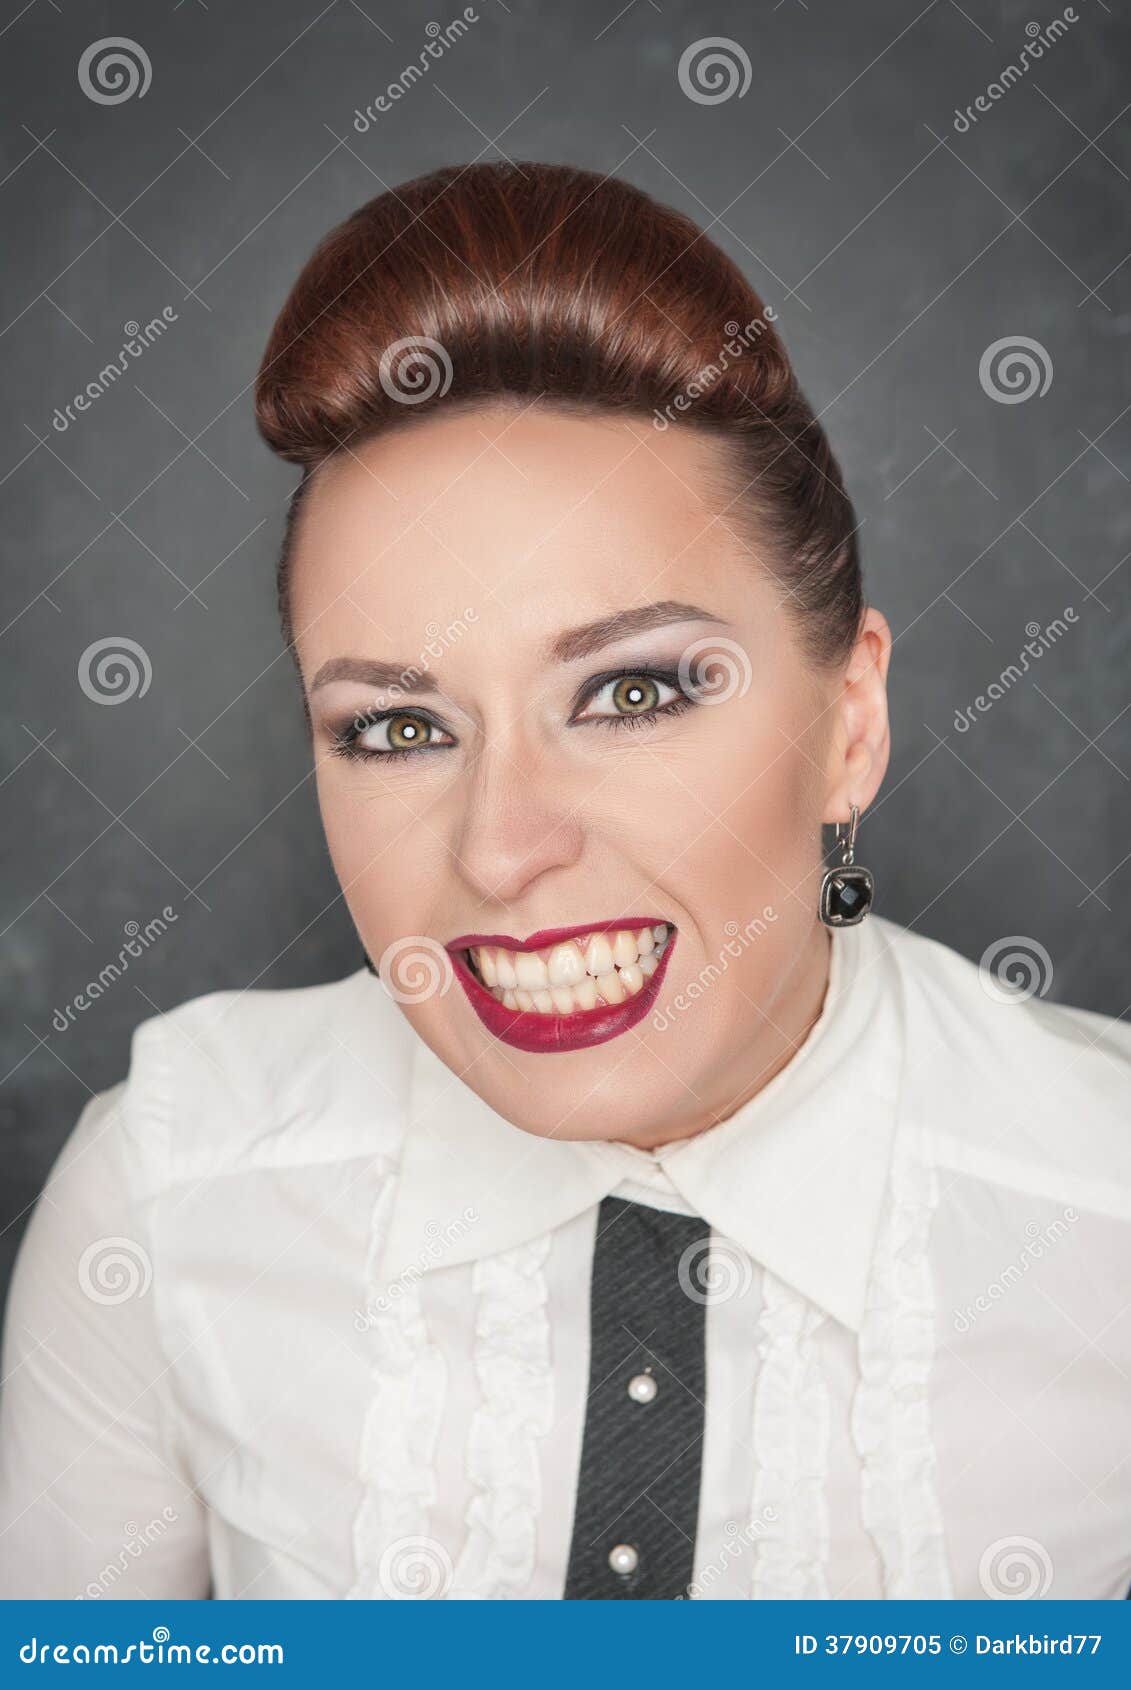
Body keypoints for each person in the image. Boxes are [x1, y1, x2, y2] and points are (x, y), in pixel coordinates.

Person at [2, 161, 1128, 1601]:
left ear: (848, 724)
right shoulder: (166, 1194)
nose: (499, 844)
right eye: (398, 727)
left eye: (634, 691)